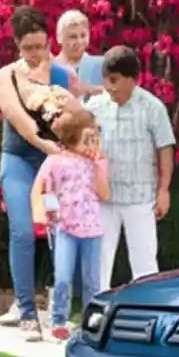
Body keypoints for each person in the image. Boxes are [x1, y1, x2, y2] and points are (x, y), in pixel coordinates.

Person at [0, 5, 92, 340]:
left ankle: (60, 310)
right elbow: (21, 123)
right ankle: (26, 312)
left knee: (59, 234)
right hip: (21, 161)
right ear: (17, 45)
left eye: (41, 46)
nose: (36, 54)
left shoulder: (62, 76)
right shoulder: (6, 76)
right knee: (22, 232)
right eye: (28, 48)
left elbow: (78, 119)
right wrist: (43, 144)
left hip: (56, 166)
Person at [84, 45, 176, 290]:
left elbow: (165, 148)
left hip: (140, 198)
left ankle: (146, 314)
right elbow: (80, 146)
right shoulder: (94, 107)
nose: (110, 88)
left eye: (114, 81)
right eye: (106, 81)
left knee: (144, 262)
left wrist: (163, 190)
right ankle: (95, 313)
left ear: (131, 79)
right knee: (99, 261)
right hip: (104, 196)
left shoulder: (152, 107)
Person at [35, 111, 110, 342]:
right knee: (63, 277)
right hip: (66, 228)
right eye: (86, 138)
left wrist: (98, 165)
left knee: (92, 282)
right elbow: (47, 188)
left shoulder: (97, 162)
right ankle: (59, 320)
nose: (91, 143)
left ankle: (91, 325)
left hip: (93, 229)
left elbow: (104, 193)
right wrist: (50, 214)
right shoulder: (56, 162)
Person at [55, 10, 105, 97]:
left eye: (83, 35)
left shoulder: (102, 65)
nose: (79, 41)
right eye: (73, 37)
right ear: (59, 38)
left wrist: (90, 90)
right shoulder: (50, 68)